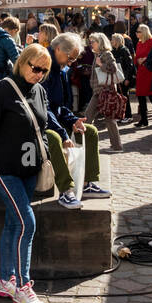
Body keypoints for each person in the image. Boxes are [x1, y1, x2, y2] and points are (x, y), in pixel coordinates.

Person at [0, 43, 52, 303]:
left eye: (44, 70)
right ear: (23, 62)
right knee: (26, 223)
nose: (39, 74)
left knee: (12, 223)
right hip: (5, 169)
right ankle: (23, 287)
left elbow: (44, 122)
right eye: (35, 68)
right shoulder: (3, 89)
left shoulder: (40, 90)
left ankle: (6, 279)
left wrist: (64, 132)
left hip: (30, 169)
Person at [41, 33, 108, 209]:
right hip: (37, 122)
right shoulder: (43, 67)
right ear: (57, 49)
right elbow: (42, 107)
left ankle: (88, 183)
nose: (71, 62)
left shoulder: (61, 69)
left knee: (89, 131)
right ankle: (66, 190)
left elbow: (60, 105)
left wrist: (73, 120)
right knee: (54, 138)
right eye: (70, 58)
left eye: (74, 59)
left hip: (52, 118)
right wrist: (64, 132)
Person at [85, 33, 122, 151]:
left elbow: (113, 68)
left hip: (105, 91)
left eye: (93, 42)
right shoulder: (98, 54)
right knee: (108, 119)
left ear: (100, 43)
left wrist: (101, 64)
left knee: (89, 116)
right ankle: (116, 146)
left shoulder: (106, 54)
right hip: (100, 91)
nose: (91, 44)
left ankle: (86, 143)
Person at [132, 24, 152, 128]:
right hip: (141, 72)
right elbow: (136, 57)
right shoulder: (139, 43)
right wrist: (138, 60)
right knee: (141, 96)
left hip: (150, 72)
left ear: (144, 32)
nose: (137, 33)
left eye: (138, 31)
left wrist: (145, 59)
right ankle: (144, 119)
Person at [110, 31, 136, 123]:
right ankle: (121, 115)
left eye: (112, 40)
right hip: (117, 78)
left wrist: (127, 78)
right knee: (119, 97)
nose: (111, 41)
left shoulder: (124, 50)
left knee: (125, 96)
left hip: (124, 77)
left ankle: (128, 115)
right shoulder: (113, 51)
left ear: (116, 41)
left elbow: (130, 65)